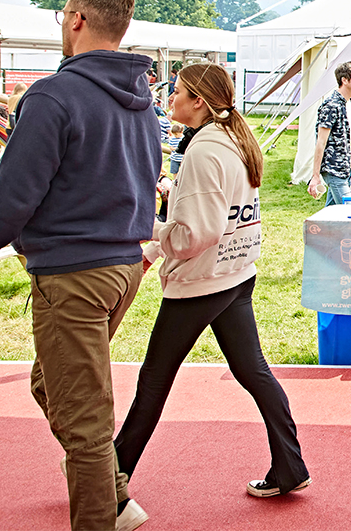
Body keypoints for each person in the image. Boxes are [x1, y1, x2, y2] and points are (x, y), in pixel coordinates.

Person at [0, 0, 161, 531]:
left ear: (76, 19)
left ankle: (106, 514)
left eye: (62, 15)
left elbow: (14, 191)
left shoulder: (52, 96)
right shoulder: (143, 103)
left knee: (83, 422)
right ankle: (115, 494)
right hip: (123, 265)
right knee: (50, 385)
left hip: (74, 273)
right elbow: (147, 178)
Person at [114, 63, 311, 499]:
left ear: (198, 101)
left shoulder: (204, 150)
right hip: (236, 273)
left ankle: (107, 476)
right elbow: (218, 217)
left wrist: (150, 228)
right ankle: (290, 464)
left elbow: (192, 235)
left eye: (177, 92)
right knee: (253, 371)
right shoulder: (235, 139)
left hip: (202, 281)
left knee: (154, 380)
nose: (169, 100)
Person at [307, 61, 351, 206]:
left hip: (346, 167)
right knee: (349, 212)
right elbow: (321, 141)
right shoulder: (331, 105)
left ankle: (316, 229)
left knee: (331, 214)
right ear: (344, 80)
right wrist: (315, 177)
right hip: (334, 169)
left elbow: (345, 136)